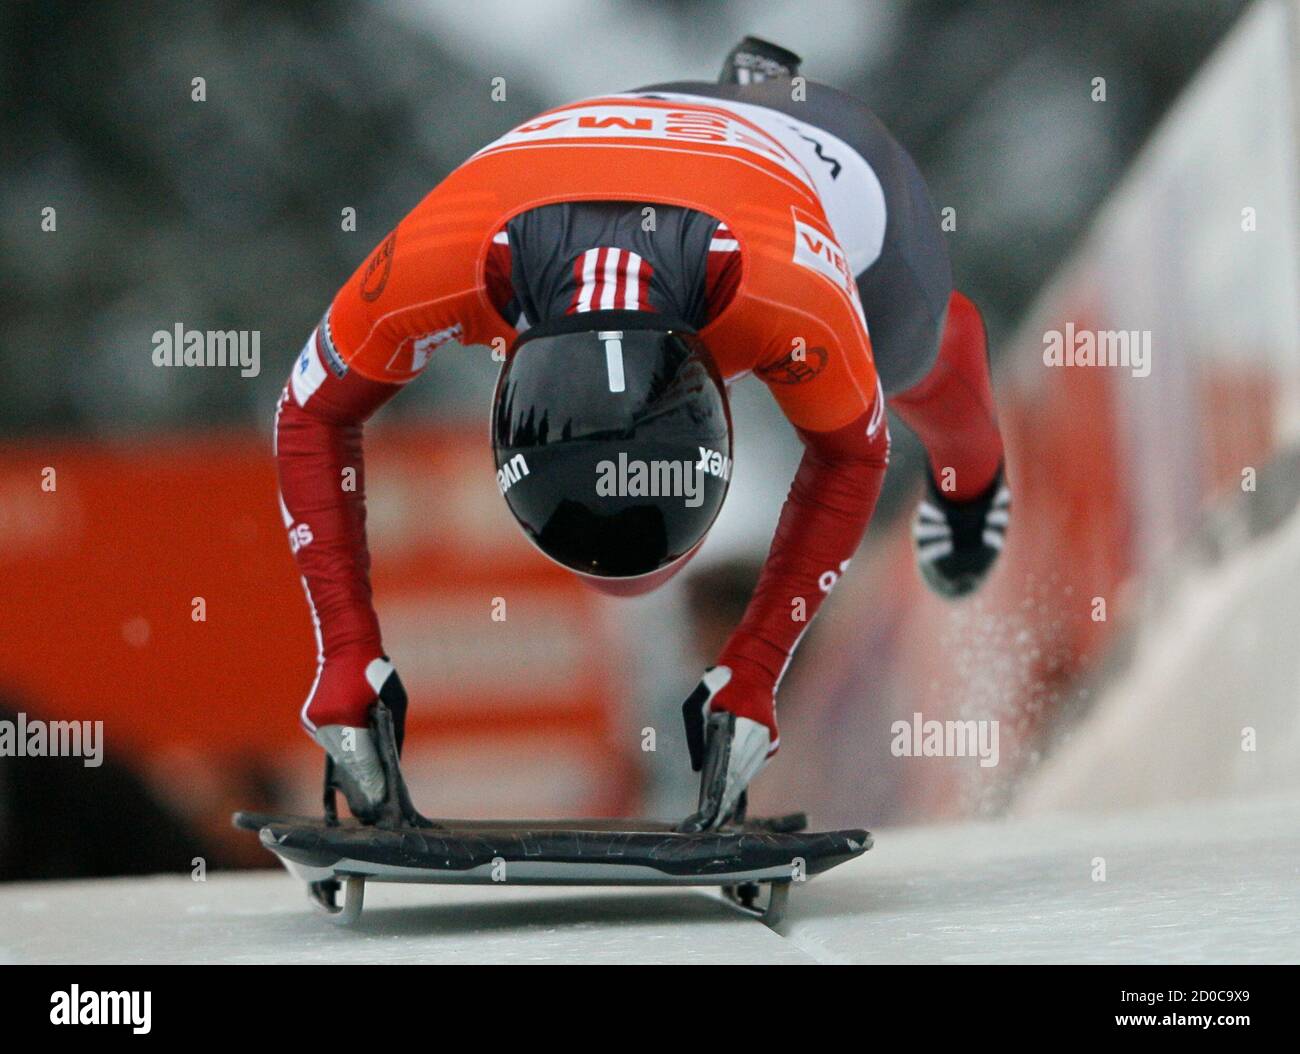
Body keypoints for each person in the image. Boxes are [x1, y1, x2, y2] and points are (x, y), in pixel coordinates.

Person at [274, 37, 1009, 830]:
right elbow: (307, 412)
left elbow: (856, 450)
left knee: (912, 367)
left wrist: (755, 664)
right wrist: (344, 651)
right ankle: (749, 93)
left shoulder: (788, 298)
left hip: (824, 160)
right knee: (854, 387)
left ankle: (973, 484)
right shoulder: (442, 261)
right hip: (665, 147)